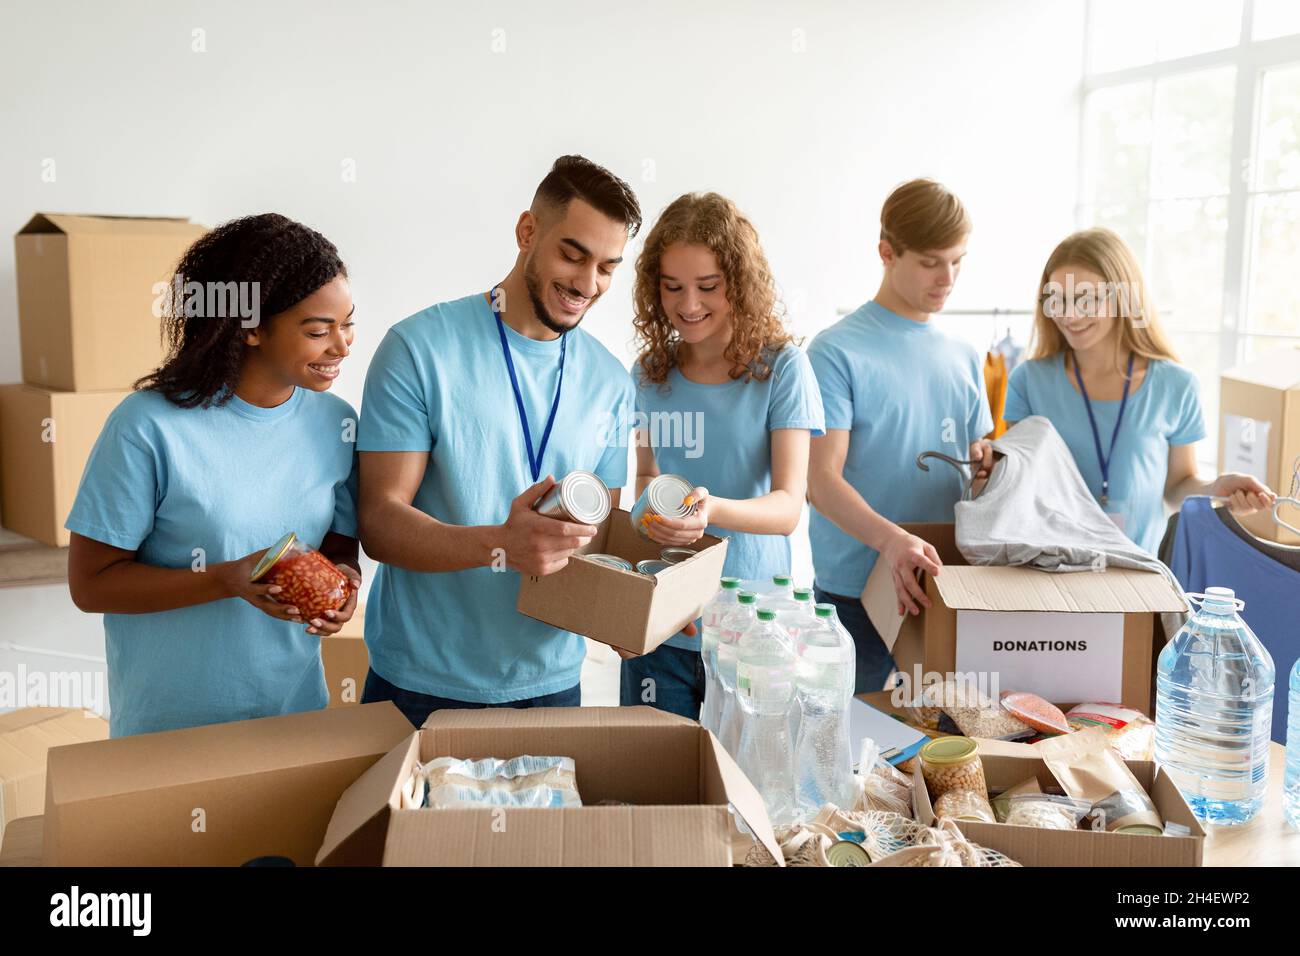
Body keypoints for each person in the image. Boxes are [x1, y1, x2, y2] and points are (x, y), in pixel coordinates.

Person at [356, 155, 644, 728]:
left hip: (554, 686)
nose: (588, 285)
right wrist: (501, 544)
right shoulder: (418, 349)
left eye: (608, 267)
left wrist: (632, 609)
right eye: (572, 254)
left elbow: (598, 535)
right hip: (418, 686)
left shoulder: (611, 381)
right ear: (527, 231)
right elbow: (379, 525)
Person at [66, 214, 362, 737]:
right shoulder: (147, 426)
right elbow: (90, 586)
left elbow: (338, 543)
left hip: (293, 716)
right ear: (250, 327)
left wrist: (345, 584)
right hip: (170, 729)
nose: (342, 346)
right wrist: (225, 579)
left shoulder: (336, 424)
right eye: (319, 330)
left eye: (348, 323)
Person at [621, 192, 825, 718]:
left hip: (750, 633)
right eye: (673, 288)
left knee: (746, 792)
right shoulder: (649, 374)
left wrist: (709, 511)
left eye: (708, 287)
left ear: (739, 282)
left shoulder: (783, 368)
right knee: (655, 788)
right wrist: (652, 523)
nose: (688, 305)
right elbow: (646, 476)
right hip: (663, 624)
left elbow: (787, 507)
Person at [806, 179, 993, 693]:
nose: (948, 277)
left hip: (944, 587)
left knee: (944, 752)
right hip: (856, 595)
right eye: (932, 261)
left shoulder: (963, 355)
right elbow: (819, 482)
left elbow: (975, 464)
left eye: (958, 261)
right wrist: (892, 543)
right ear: (887, 252)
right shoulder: (835, 352)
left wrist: (987, 464)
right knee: (847, 749)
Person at [1004, 227, 1274, 554]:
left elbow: (1175, 487)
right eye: (1057, 299)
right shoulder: (1028, 381)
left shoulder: (1176, 385)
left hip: (1140, 577)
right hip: (1048, 570)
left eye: (1086, 299)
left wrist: (1217, 490)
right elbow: (1015, 485)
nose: (1070, 315)